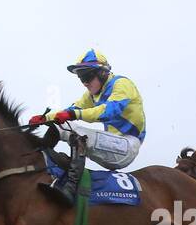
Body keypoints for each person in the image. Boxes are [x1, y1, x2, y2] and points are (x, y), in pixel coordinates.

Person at [28, 50, 146, 206]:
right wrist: (45, 118)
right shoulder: (90, 95)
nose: (84, 82)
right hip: (111, 148)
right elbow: (67, 112)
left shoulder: (122, 84)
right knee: (62, 125)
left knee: (74, 129)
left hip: (128, 146)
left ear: (103, 73)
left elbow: (109, 111)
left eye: (87, 76)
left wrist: (72, 114)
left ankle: (70, 189)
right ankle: (40, 165)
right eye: (81, 78)